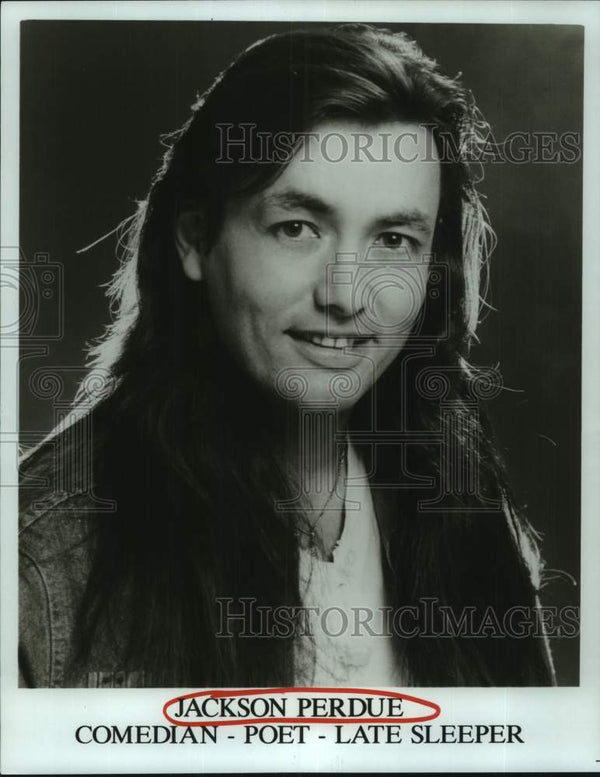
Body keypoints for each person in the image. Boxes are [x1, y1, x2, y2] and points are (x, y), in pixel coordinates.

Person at [19, 23, 556, 688]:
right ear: (194, 237)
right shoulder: (38, 558)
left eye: (393, 239)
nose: (346, 295)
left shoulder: (461, 510)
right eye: (297, 227)